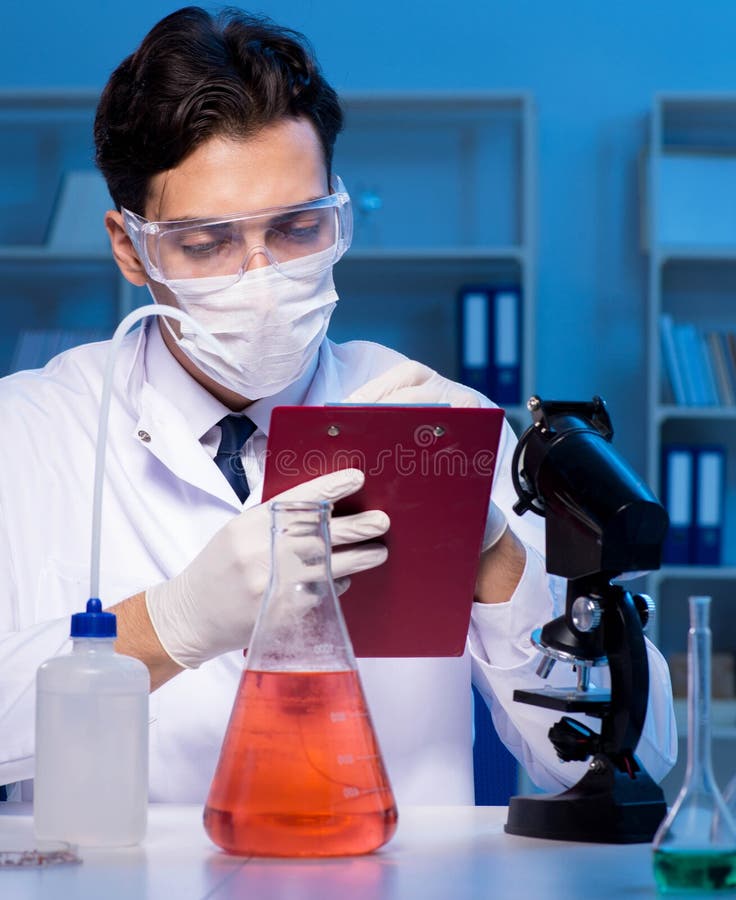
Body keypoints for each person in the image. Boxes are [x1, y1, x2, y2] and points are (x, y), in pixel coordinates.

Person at [0, 6, 677, 805]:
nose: (259, 275)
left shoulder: (443, 421)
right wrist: (169, 623)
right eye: (206, 242)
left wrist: (498, 563)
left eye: (296, 227)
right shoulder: (29, 433)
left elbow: (637, 757)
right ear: (130, 247)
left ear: (339, 211)